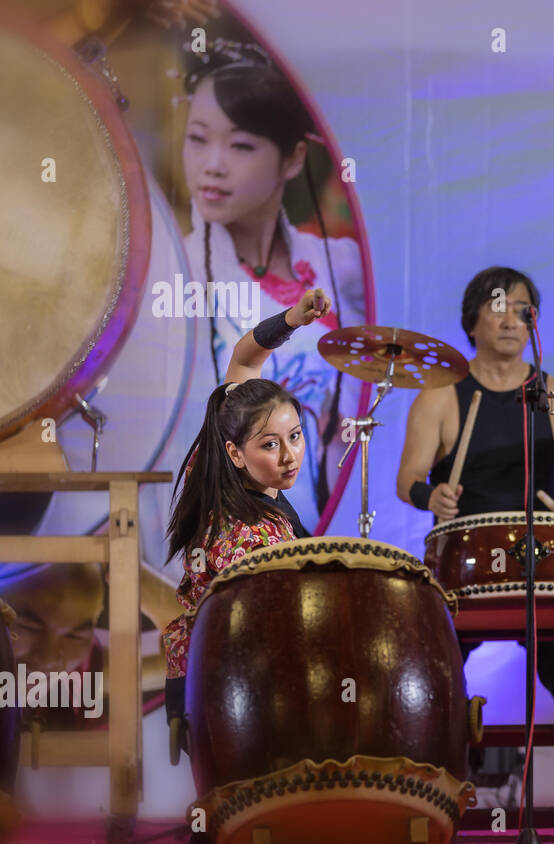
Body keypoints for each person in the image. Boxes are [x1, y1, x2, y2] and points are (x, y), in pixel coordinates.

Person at [397, 266, 554, 775]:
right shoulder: (442, 395)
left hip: (541, 563)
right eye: (498, 306)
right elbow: (408, 478)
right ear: (471, 322)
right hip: (463, 564)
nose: (512, 319)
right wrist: (432, 497)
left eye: (523, 309)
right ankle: (437, 796)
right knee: (432, 687)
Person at [181, 40, 364, 531]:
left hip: (327, 507)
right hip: (238, 514)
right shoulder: (177, 273)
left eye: (240, 145)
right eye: (197, 138)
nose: (212, 164)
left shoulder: (339, 264)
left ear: (293, 158)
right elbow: (240, 362)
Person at [160, 289, 329, 715]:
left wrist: (292, 318)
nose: (290, 456)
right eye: (271, 445)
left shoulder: (223, 442)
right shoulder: (253, 536)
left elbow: (245, 356)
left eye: (295, 436)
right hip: (227, 690)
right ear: (236, 453)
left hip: (213, 682)